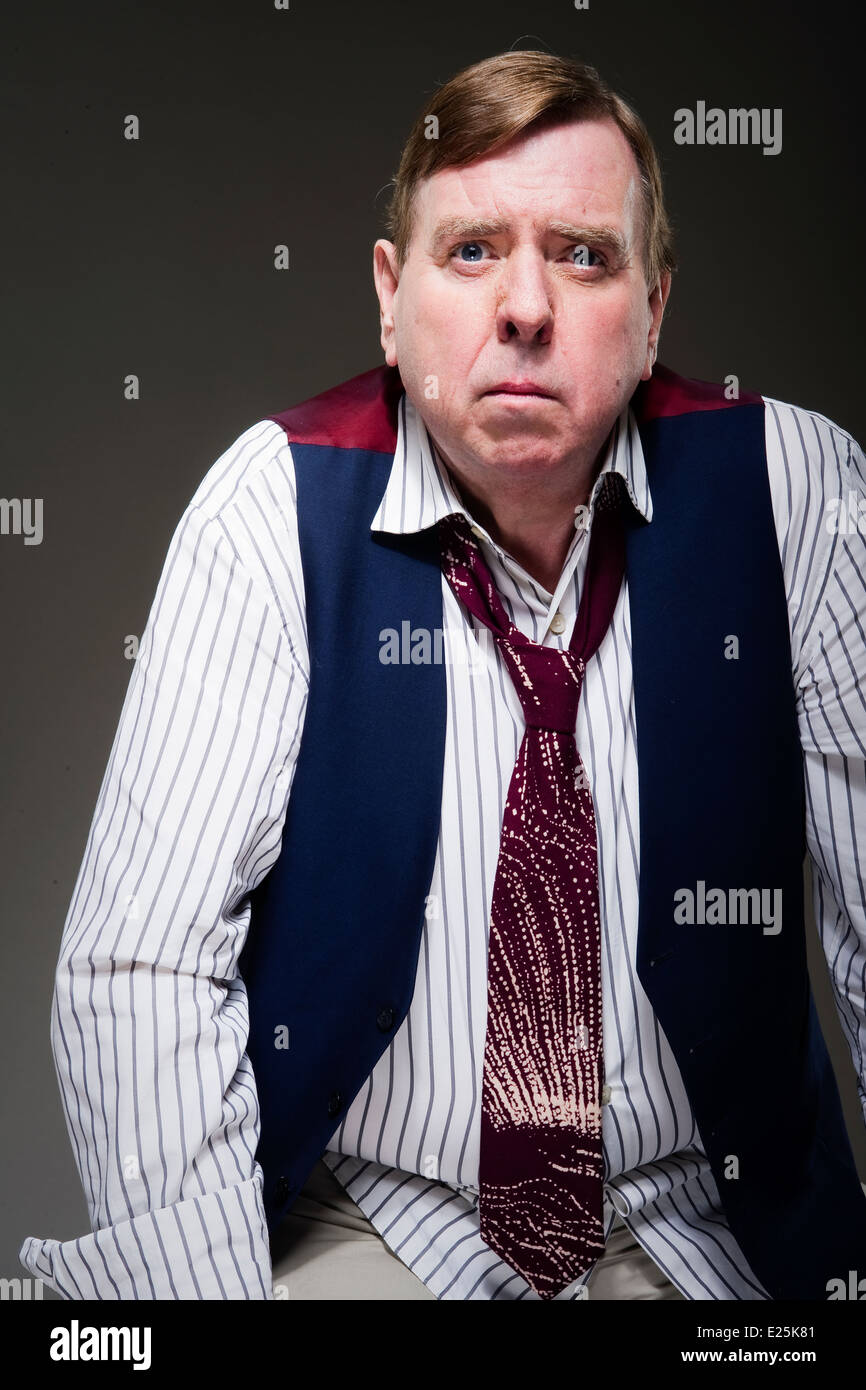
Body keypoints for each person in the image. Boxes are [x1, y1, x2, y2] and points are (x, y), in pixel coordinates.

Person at [19, 49, 866, 1302]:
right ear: (387, 295)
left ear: (653, 312)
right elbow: (140, 969)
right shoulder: (271, 507)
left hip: (704, 1225)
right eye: (470, 250)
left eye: (581, 255)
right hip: (375, 1225)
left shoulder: (792, 493)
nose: (524, 304)